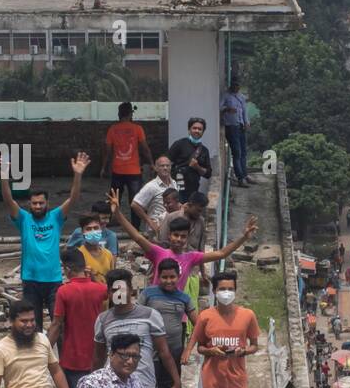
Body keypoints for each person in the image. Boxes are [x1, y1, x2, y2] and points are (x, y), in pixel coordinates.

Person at [0, 152, 88, 324]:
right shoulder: (24, 219)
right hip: (30, 280)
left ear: (48, 203)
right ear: (29, 204)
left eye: (41, 203)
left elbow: (73, 198)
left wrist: (78, 175)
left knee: (58, 322)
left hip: (53, 280)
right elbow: (8, 200)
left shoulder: (56, 217)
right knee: (33, 324)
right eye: (34, 203)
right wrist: (4, 177)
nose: (38, 206)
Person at [110, 189, 257, 287]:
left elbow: (221, 253)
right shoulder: (159, 252)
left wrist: (243, 237)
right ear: (169, 235)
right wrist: (117, 214)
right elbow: (136, 236)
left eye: (183, 237)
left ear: (187, 238)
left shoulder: (191, 257)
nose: (179, 239)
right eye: (176, 235)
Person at [140, 258, 197, 388]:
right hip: (150, 352)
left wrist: (188, 349)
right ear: (159, 276)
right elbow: (137, 315)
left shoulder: (184, 298)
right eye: (164, 277)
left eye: (172, 277)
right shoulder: (148, 294)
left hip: (173, 352)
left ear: (179, 277)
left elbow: (198, 324)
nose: (168, 281)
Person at [48, 248, 108, 388]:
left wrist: (44, 349)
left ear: (68, 269)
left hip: (72, 358)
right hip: (97, 356)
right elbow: (118, 293)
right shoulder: (100, 289)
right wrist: (93, 277)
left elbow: (56, 324)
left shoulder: (64, 291)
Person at [103, 101, 153, 209]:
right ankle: (135, 221)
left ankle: (110, 217)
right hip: (134, 171)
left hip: (117, 170)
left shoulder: (112, 129)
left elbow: (108, 152)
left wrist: (104, 167)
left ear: (119, 114)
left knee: (114, 200)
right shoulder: (137, 128)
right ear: (130, 114)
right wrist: (152, 163)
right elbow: (145, 149)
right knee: (136, 202)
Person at [167, 117, 213, 197]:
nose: (197, 131)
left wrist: (197, 167)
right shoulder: (179, 144)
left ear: (203, 132)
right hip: (176, 188)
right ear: (189, 130)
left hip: (193, 190)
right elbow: (166, 162)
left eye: (200, 129)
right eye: (194, 128)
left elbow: (208, 174)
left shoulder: (204, 151)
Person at [131, 155, 176, 232]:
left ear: (171, 167)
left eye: (167, 165)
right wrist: (150, 222)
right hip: (156, 229)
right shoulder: (151, 186)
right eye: (162, 166)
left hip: (172, 227)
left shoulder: (174, 183)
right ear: (156, 168)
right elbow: (134, 205)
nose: (165, 168)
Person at [220, 79, 250, 186]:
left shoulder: (241, 96)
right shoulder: (226, 96)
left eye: (238, 86)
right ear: (231, 85)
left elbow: (244, 110)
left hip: (241, 126)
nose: (237, 87)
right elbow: (219, 107)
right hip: (231, 127)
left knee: (243, 152)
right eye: (235, 85)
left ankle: (245, 175)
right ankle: (240, 178)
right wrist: (227, 109)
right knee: (237, 152)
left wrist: (246, 122)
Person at [73, 213, 116, 284]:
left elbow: (112, 279)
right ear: (82, 232)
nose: (93, 231)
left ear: (101, 229)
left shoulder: (108, 254)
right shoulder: (78, 255)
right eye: (88, 229)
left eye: (96, 228)